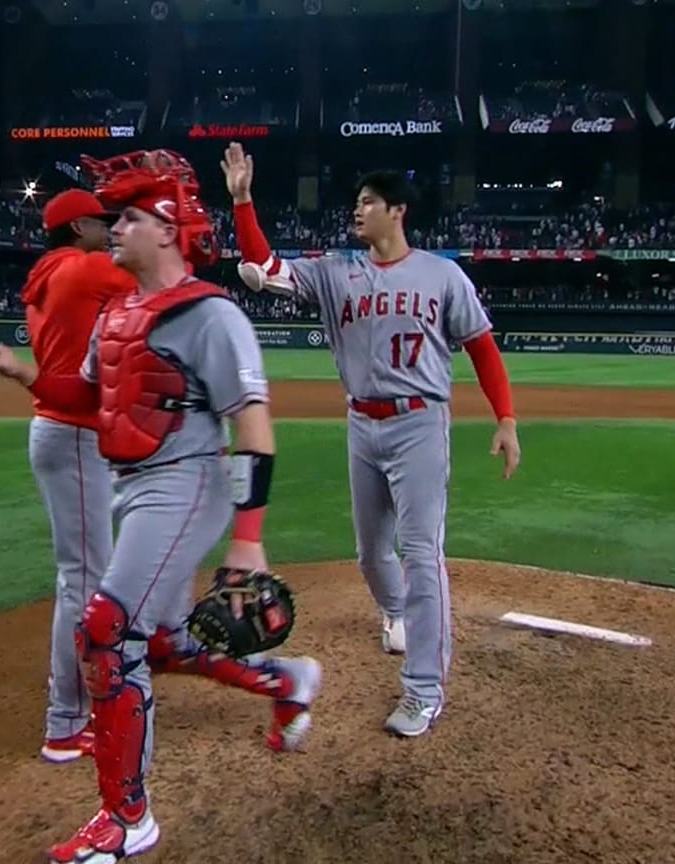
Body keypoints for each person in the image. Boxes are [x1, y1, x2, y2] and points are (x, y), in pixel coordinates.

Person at [0, 149, 322, 864]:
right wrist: (19, 372)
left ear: (167, 230)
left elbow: (253, 427)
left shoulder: (212, 315)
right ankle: (286, 681)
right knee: (157, 643)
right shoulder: (119, 313)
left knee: (106, 628)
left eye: (128, 217)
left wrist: (247, 539)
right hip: (134, 486)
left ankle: (128, 818)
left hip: (186, 485)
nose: (115, 228)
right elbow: (86, 398)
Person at [222, 142, 521, 738]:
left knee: (422, 553)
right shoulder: (335, 272)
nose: (356, 211)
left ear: (397, 210)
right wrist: (243, 201)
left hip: (419, 422)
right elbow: (265, 265)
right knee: (370, 553)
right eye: (356, 203)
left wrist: (506, 419)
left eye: (367, 202)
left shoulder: (441, 275)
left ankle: (424, 689)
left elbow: (482, 347)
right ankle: (395, 613)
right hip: (361, 423)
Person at [23, 188, 136, 764]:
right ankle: (64, 723)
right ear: (76, 228)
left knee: (84, 574)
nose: (110, 230)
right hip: (73, 432)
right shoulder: (84, 270)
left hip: (62, 430)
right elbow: (156, 279)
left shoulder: (48, 274)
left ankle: (74, 710)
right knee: (84, 579)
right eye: (101, 222)